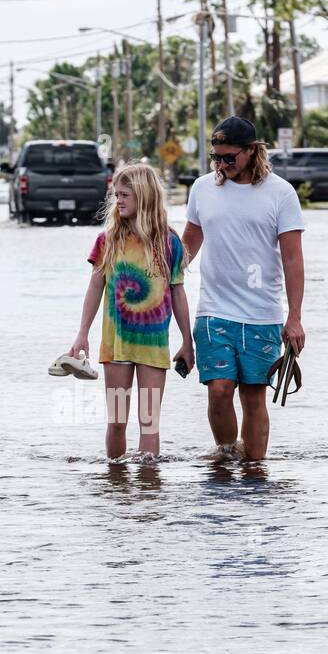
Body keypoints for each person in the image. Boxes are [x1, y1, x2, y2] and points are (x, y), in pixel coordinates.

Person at [180, 117, 306, 461]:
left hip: (261, 315)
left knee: (253, 396)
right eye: (215, 157)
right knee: (219, 391)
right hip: (212, 311)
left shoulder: (281, 193)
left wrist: (294, 318)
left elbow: (293, 261)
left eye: (229, 157)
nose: (221, 165)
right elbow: (189, 242)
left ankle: (254, 473)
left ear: (252, 151)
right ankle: (225, 457)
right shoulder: (203, 188)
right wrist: (162, 278)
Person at [68, 161, 195, 460]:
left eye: (124, 194)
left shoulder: (170, 243)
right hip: (116, 348)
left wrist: (187, 342)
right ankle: (117, 483)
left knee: (149, 424)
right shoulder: (108, 241)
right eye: (116, 195)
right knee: (116, 422)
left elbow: (178, 292)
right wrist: (82, 334)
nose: (118, 201)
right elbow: (95, 288)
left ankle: (150, 492)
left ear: (144, 196)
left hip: (153, 348)